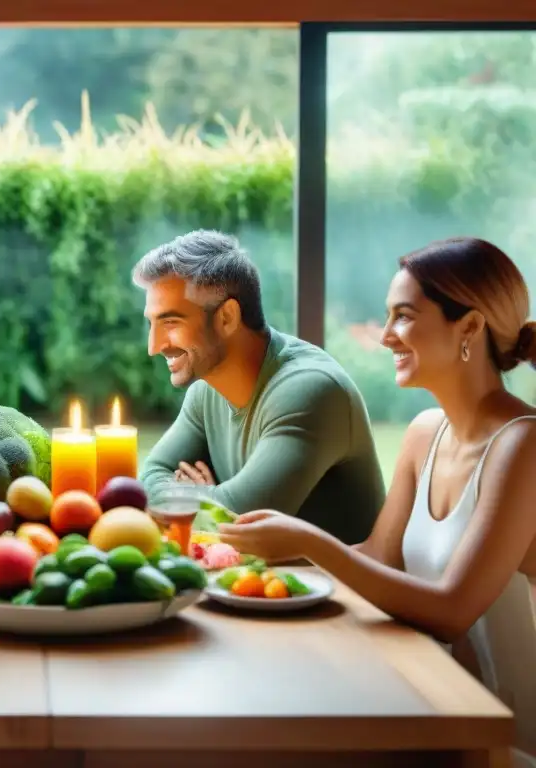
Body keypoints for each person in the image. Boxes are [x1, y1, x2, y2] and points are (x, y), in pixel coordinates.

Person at [216, 236, 536, 766]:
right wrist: (246, 555)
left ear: (470, 328)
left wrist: (307, 541)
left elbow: (452, 610)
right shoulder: (425, 433)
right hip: (434, 706)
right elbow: (378, 557)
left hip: (503, 740)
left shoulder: (522, 445)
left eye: (404, 317)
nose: (386, 336)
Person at [135, 229, 386, 545]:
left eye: (171, 323)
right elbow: (148, 481)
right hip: (255, 587)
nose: (154, 346)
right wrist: (209, 498)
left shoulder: (310, 390)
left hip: (336, 592)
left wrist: (200, 498)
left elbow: (241, 522)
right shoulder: (206, 391)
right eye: (152, 323)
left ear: (227, 317)